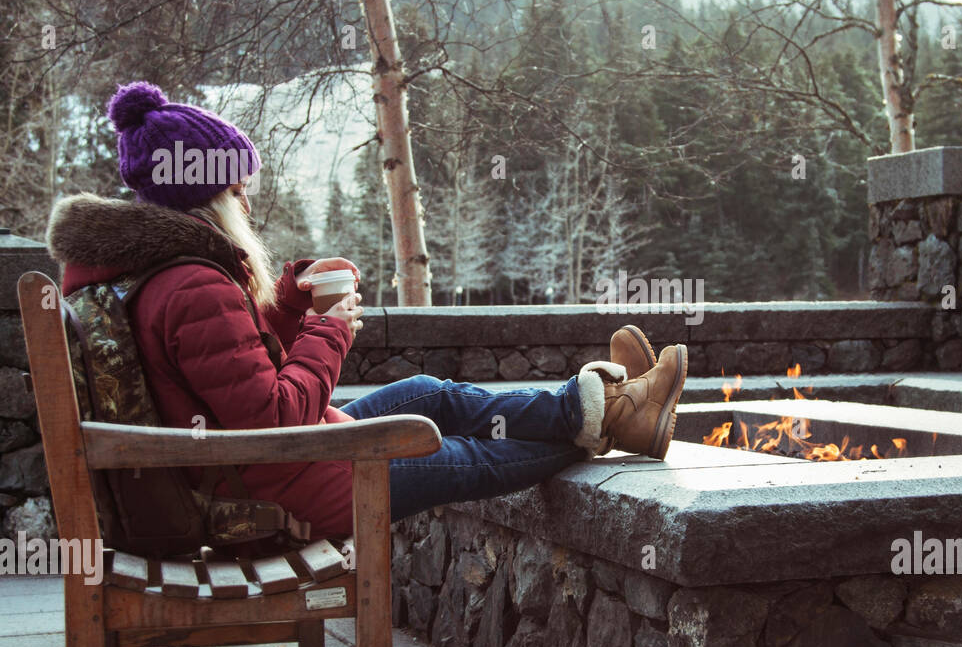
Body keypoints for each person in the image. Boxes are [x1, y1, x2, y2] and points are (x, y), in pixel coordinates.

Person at [44, 81, 688, 541]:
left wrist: (288, 304)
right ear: (206, 196)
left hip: (259, 464)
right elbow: (274, 419)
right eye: (238, 191)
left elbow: (227, 380)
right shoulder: (191, 285)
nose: (247, 205)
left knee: (427, 392)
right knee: (470, 455)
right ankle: (617, 419)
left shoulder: (155, 273)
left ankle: (592, 408)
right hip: (273, 488)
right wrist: (327, 331)